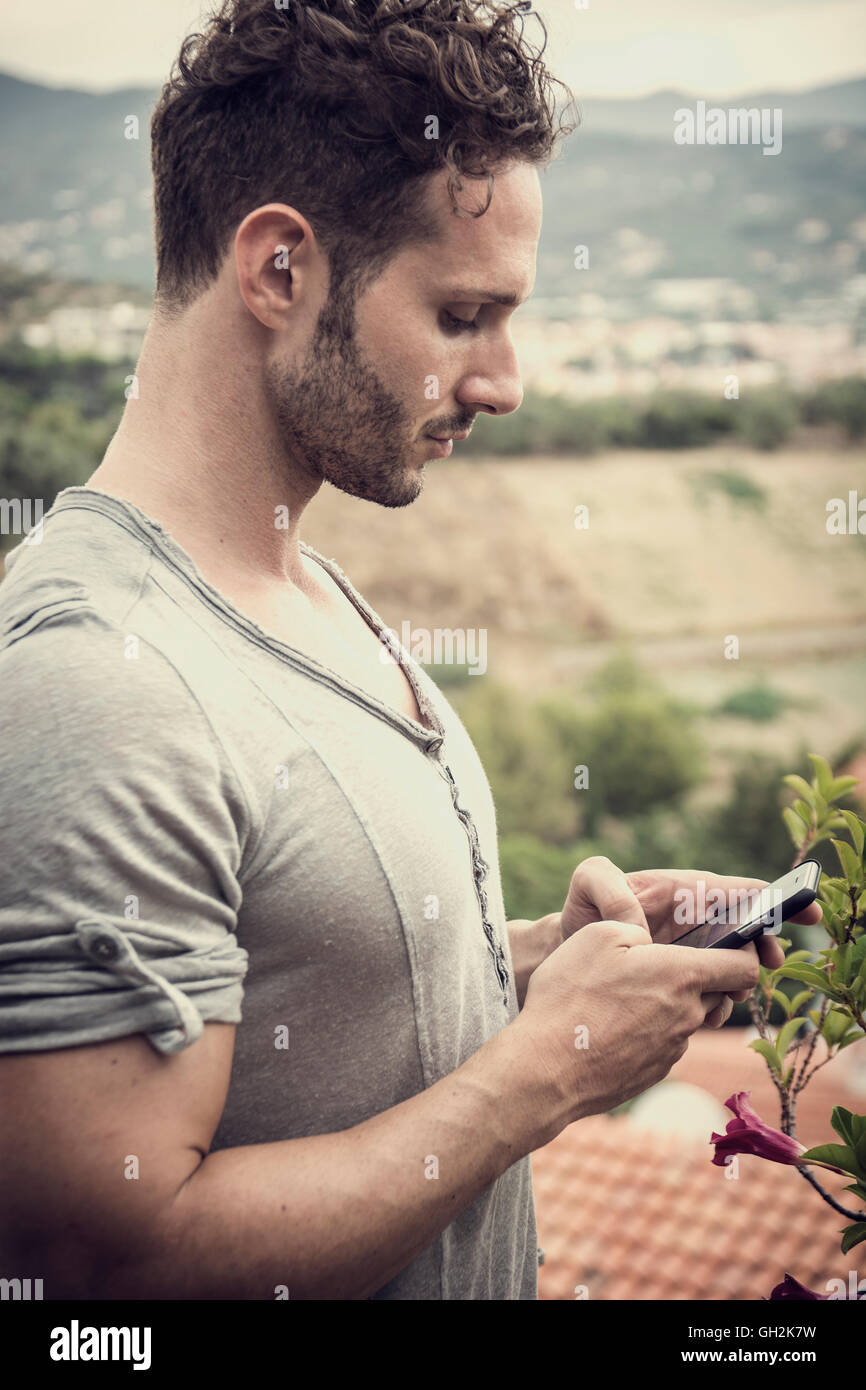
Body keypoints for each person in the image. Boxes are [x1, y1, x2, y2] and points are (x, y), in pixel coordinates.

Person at [0, 0, 819, 1301]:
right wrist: (550, 1070)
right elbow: (112, 1262)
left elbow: (293, 999)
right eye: (461, 315)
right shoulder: (99, 676)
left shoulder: (304, 588)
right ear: (280, 269)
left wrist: (534, 966)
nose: (503, 382)